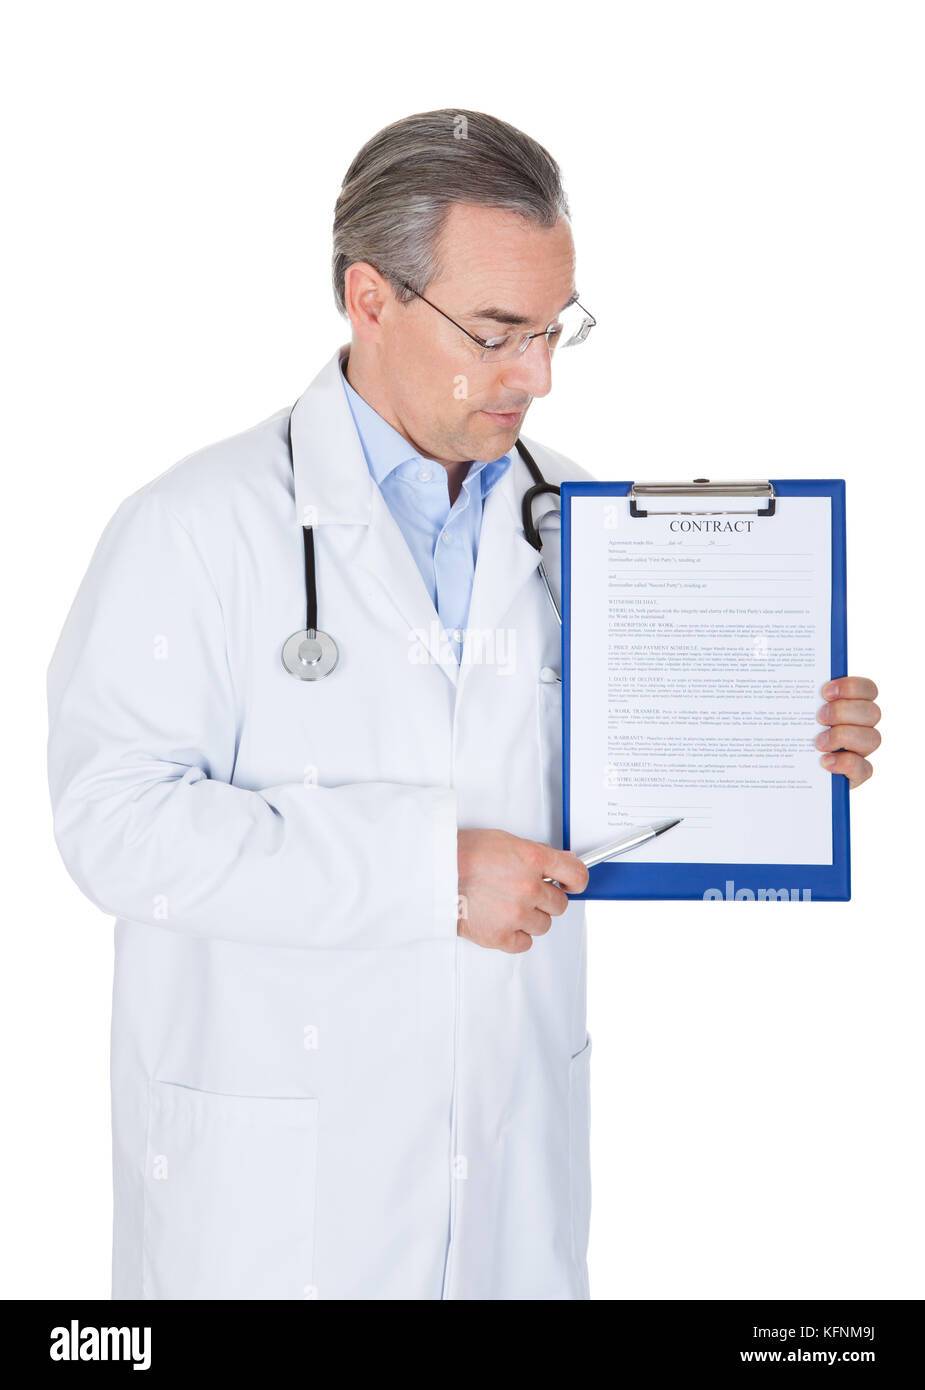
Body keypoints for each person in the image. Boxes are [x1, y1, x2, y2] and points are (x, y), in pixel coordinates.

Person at [46, 108, 882, 1301]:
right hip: (278, 1207)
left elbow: (623, 789)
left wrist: (781, 740)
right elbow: (113, 828)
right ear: (370, 297)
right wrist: (424, 874)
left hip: (508, 1168)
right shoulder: (197, 527)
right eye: (497, 333)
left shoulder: (583, 518)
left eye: (554, 332)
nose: (535, 378)